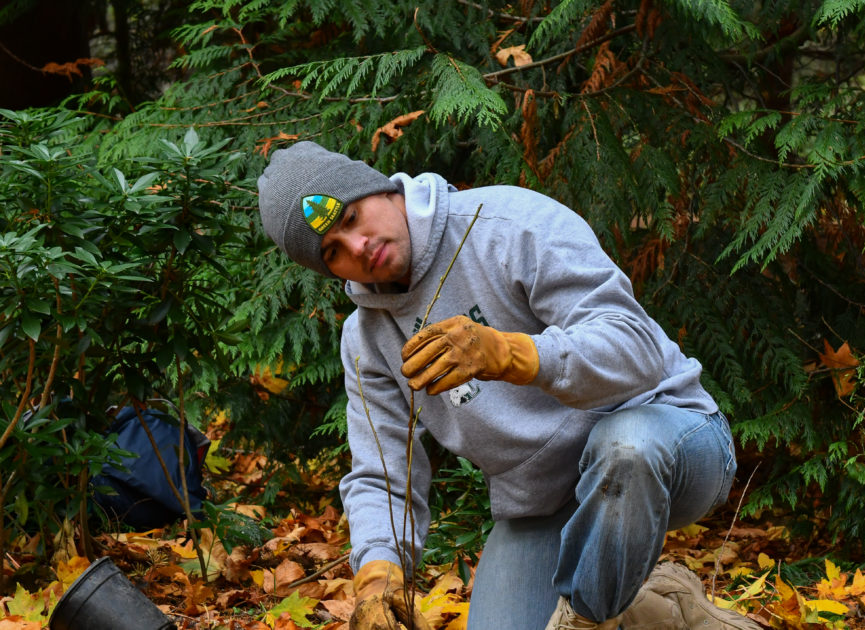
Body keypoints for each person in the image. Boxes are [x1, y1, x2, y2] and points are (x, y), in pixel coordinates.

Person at [257, 141, 758, 630]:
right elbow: (382, 473)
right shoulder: (367, 338)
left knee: (626, 447)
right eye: (334, 252)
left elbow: (635, 349)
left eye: (350, 219)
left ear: (381, 189)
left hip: (671, 438)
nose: (359, 247)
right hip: (545, 499)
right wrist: (378, 575)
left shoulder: (506, 224)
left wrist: (511, 354)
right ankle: (655, 608)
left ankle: (588, 618)